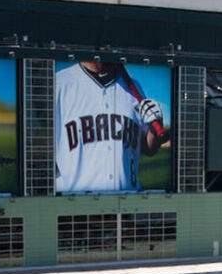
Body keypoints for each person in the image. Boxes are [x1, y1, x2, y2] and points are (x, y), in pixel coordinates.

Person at [53, 59, 169, 194]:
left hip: (127, 202)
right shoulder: (58, 84)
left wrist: (155, 128)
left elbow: (148, 148)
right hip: (75, 205)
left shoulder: (133, 87)